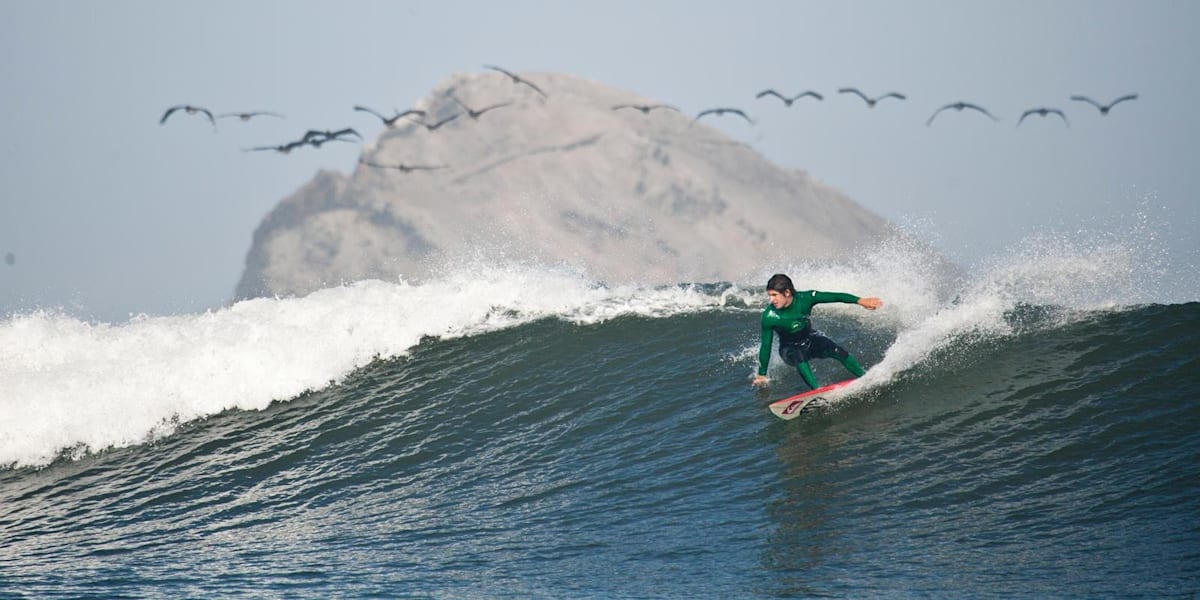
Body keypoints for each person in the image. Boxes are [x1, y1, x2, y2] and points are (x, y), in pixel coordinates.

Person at [751, 273, 883, 390]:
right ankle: (817, 391)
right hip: (789, 349)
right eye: (769, 295)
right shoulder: (769, 317)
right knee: (798, 355)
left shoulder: (806, 298)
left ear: (787, 293)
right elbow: (766, 346)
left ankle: (865, 377)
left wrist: (860, 301)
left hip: (810, 339)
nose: (771, 300)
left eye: (774, 295)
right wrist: (762, 374)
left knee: (838, 351)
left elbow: (834, 296)